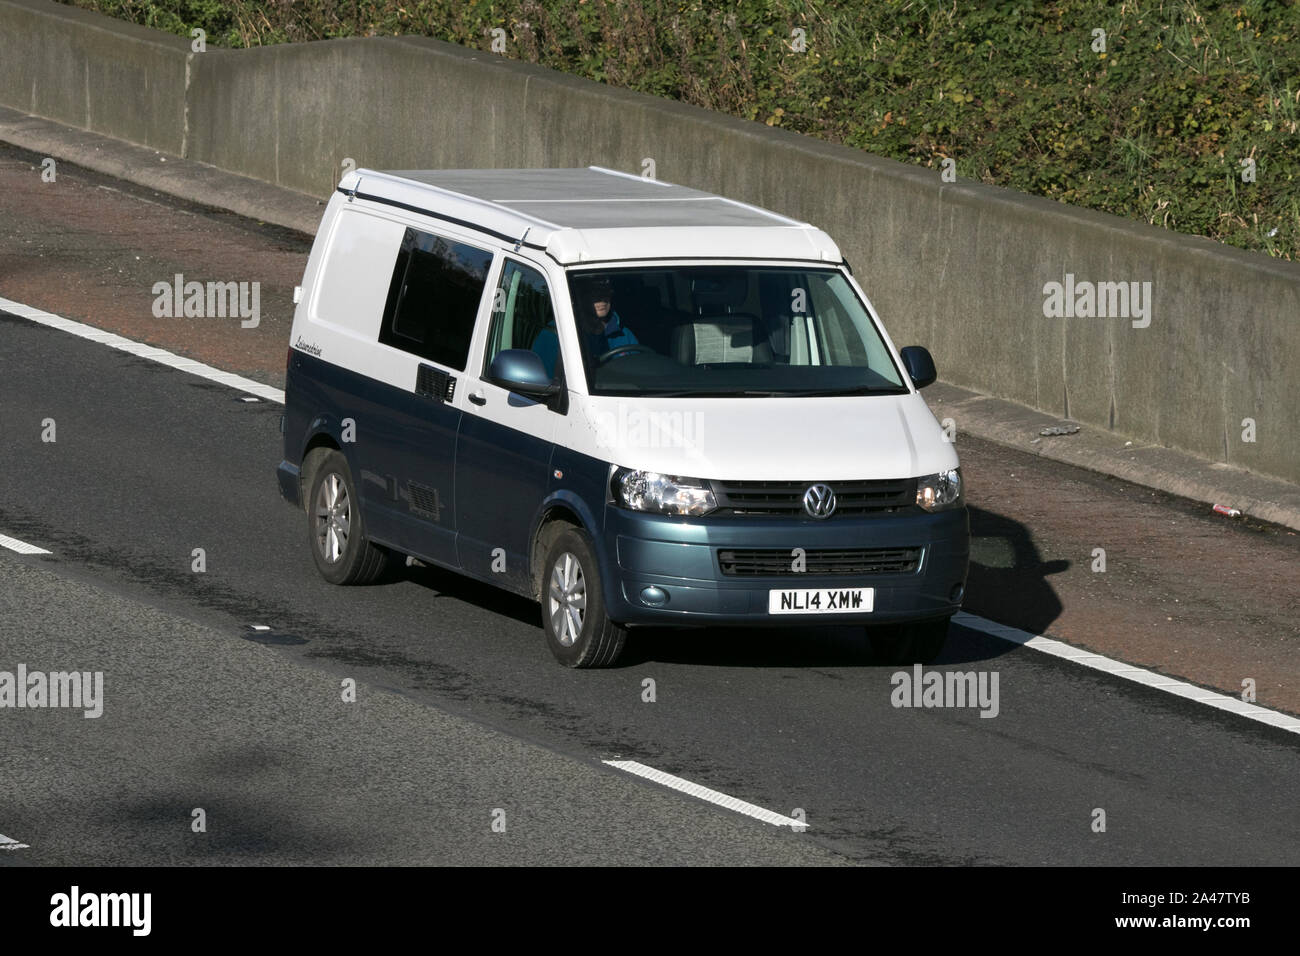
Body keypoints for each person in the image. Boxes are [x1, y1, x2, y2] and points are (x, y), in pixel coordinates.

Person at [532, 277, 638, 378]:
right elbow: (544, 384)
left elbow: (640, 373)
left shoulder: (624, 334)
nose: (602, 299)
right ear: (580, 296)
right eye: (594, 292)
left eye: (606, 292)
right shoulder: (556, 333)